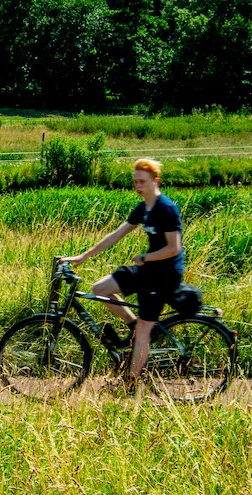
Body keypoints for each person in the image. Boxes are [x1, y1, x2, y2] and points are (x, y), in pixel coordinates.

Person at [61, 158, 185, 386]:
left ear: (155, 181)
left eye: (143, 182)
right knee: (100, 289)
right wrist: (84, 256)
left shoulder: (166, 208)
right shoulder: (143, 208)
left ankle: (129, 381)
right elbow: (116, 235)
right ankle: (134, 329)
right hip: (147, 269)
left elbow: (174, 248)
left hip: (164, 274)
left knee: (145, 327)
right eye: (135, 181)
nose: (138, 186)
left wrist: (146, 257)